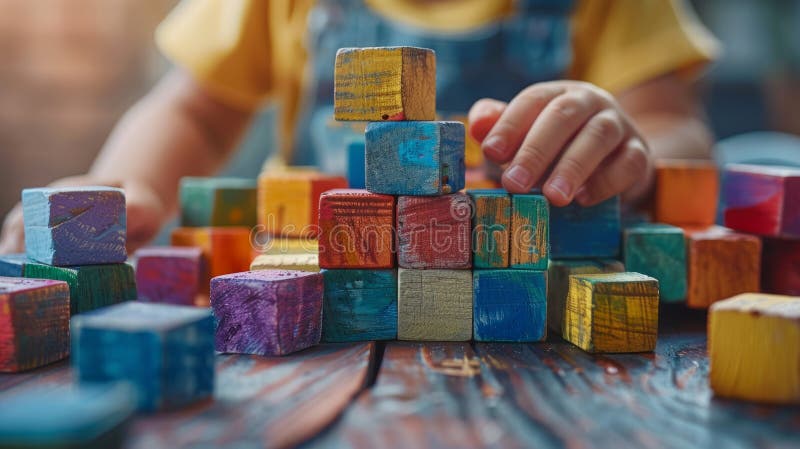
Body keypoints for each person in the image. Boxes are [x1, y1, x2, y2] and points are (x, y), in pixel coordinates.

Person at [0, 0, 719, 253]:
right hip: (321, 284)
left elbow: (675, 130)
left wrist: (632, 152)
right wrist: (121, 184)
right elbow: (191, 108)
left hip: (532, 292)